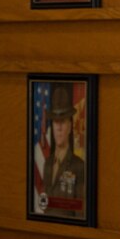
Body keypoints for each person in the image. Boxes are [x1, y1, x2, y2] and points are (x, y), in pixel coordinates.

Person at [42, 83, 85, 216]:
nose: (59, 128)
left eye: (63, 121)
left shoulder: (79, 166)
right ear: (52, 126)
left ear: (70, 127)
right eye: (56, 122)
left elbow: (81, 213)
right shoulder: (47, 163)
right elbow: (44, 204)